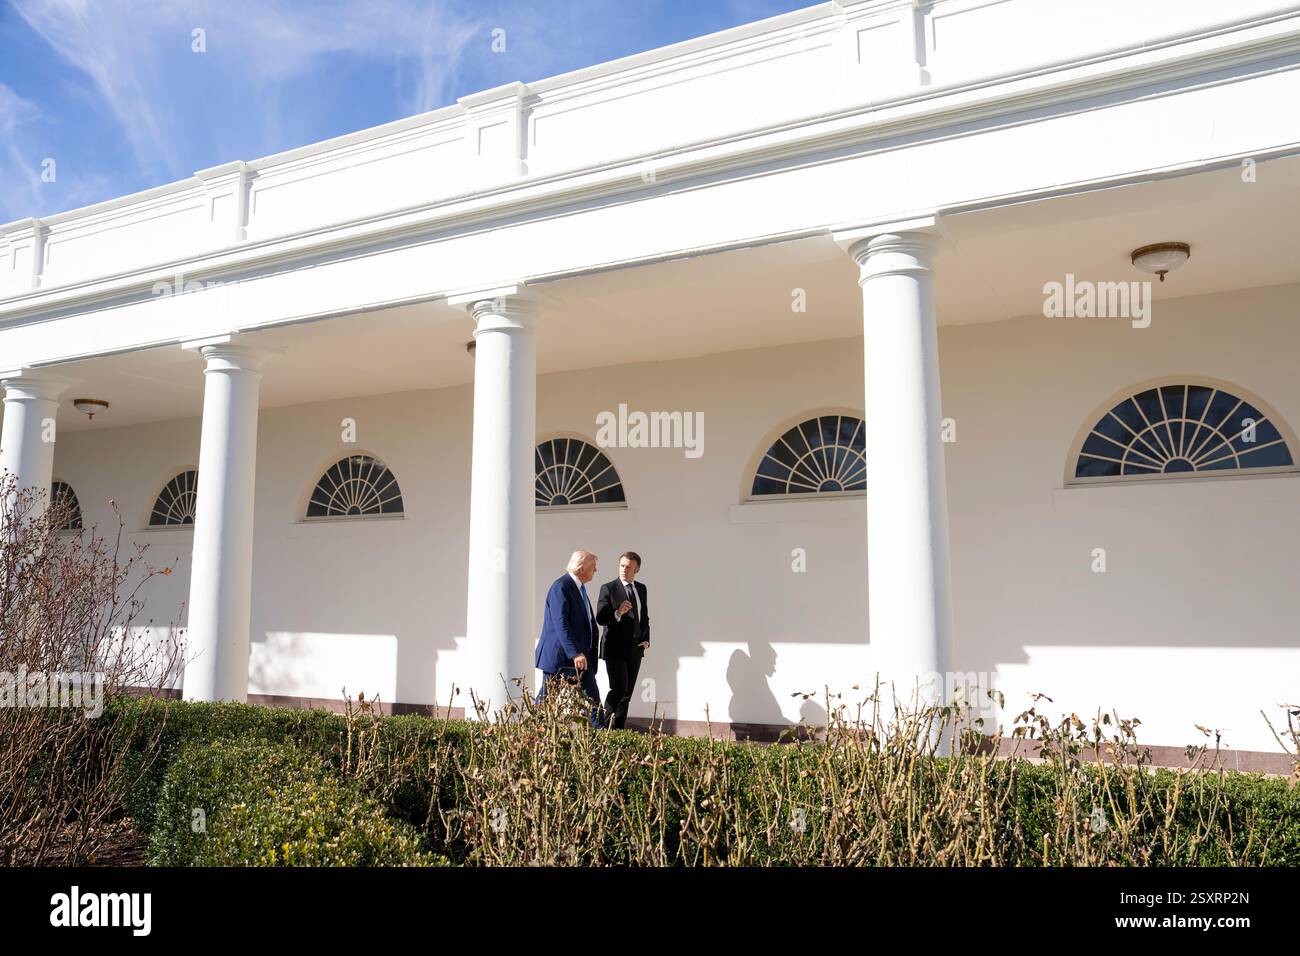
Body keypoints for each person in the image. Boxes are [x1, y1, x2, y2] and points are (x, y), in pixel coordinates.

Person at [534, 549, 604, 726]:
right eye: (593, 567)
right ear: (581, 568)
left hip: (581, 657)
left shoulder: (579, 588)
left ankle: (603, 739)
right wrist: (575, 653)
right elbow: (560, 623)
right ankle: (534, 733)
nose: (595, 571)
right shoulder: (561, 587)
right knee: (546, 700)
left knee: (593, 700)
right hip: (562, 658)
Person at [595, 551, 649, 730]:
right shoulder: (608, 588)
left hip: (635, 649)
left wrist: (646, 639)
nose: (624, 570)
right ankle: (603, 727)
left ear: (637, 569)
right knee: (618, 689)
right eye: (622, 566)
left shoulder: (641, 589)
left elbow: (644, 617)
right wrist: (618, 613)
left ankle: (618, 731)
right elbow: (601, 618)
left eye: (629, 567)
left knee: (627, 694)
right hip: (614, 649)